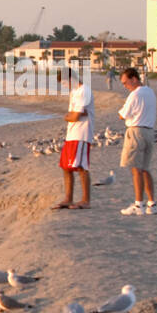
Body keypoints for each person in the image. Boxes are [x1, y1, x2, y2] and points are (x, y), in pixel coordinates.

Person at [117, 67, 157, 215]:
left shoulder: (135, 95)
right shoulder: (150, 92)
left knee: (136, 169)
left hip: (136, 131)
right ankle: (152, 203)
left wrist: (122, 113)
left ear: (134, 79)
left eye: (125, 82)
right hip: (149, 131)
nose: (125, 86)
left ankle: (138, 204)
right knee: (145, 168)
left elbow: (123, 115)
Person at [54, 67, 93, 210]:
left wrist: (68, 116)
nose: (64, 86)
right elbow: (74, 114)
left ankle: (85, 200)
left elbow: (75, 115)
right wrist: (71, 116)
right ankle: (68, 198)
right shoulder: (74, 92)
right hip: (71, 134)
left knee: (82, 167)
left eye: (64, 82)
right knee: (66, 167)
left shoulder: (84, 91)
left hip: (81, 134)